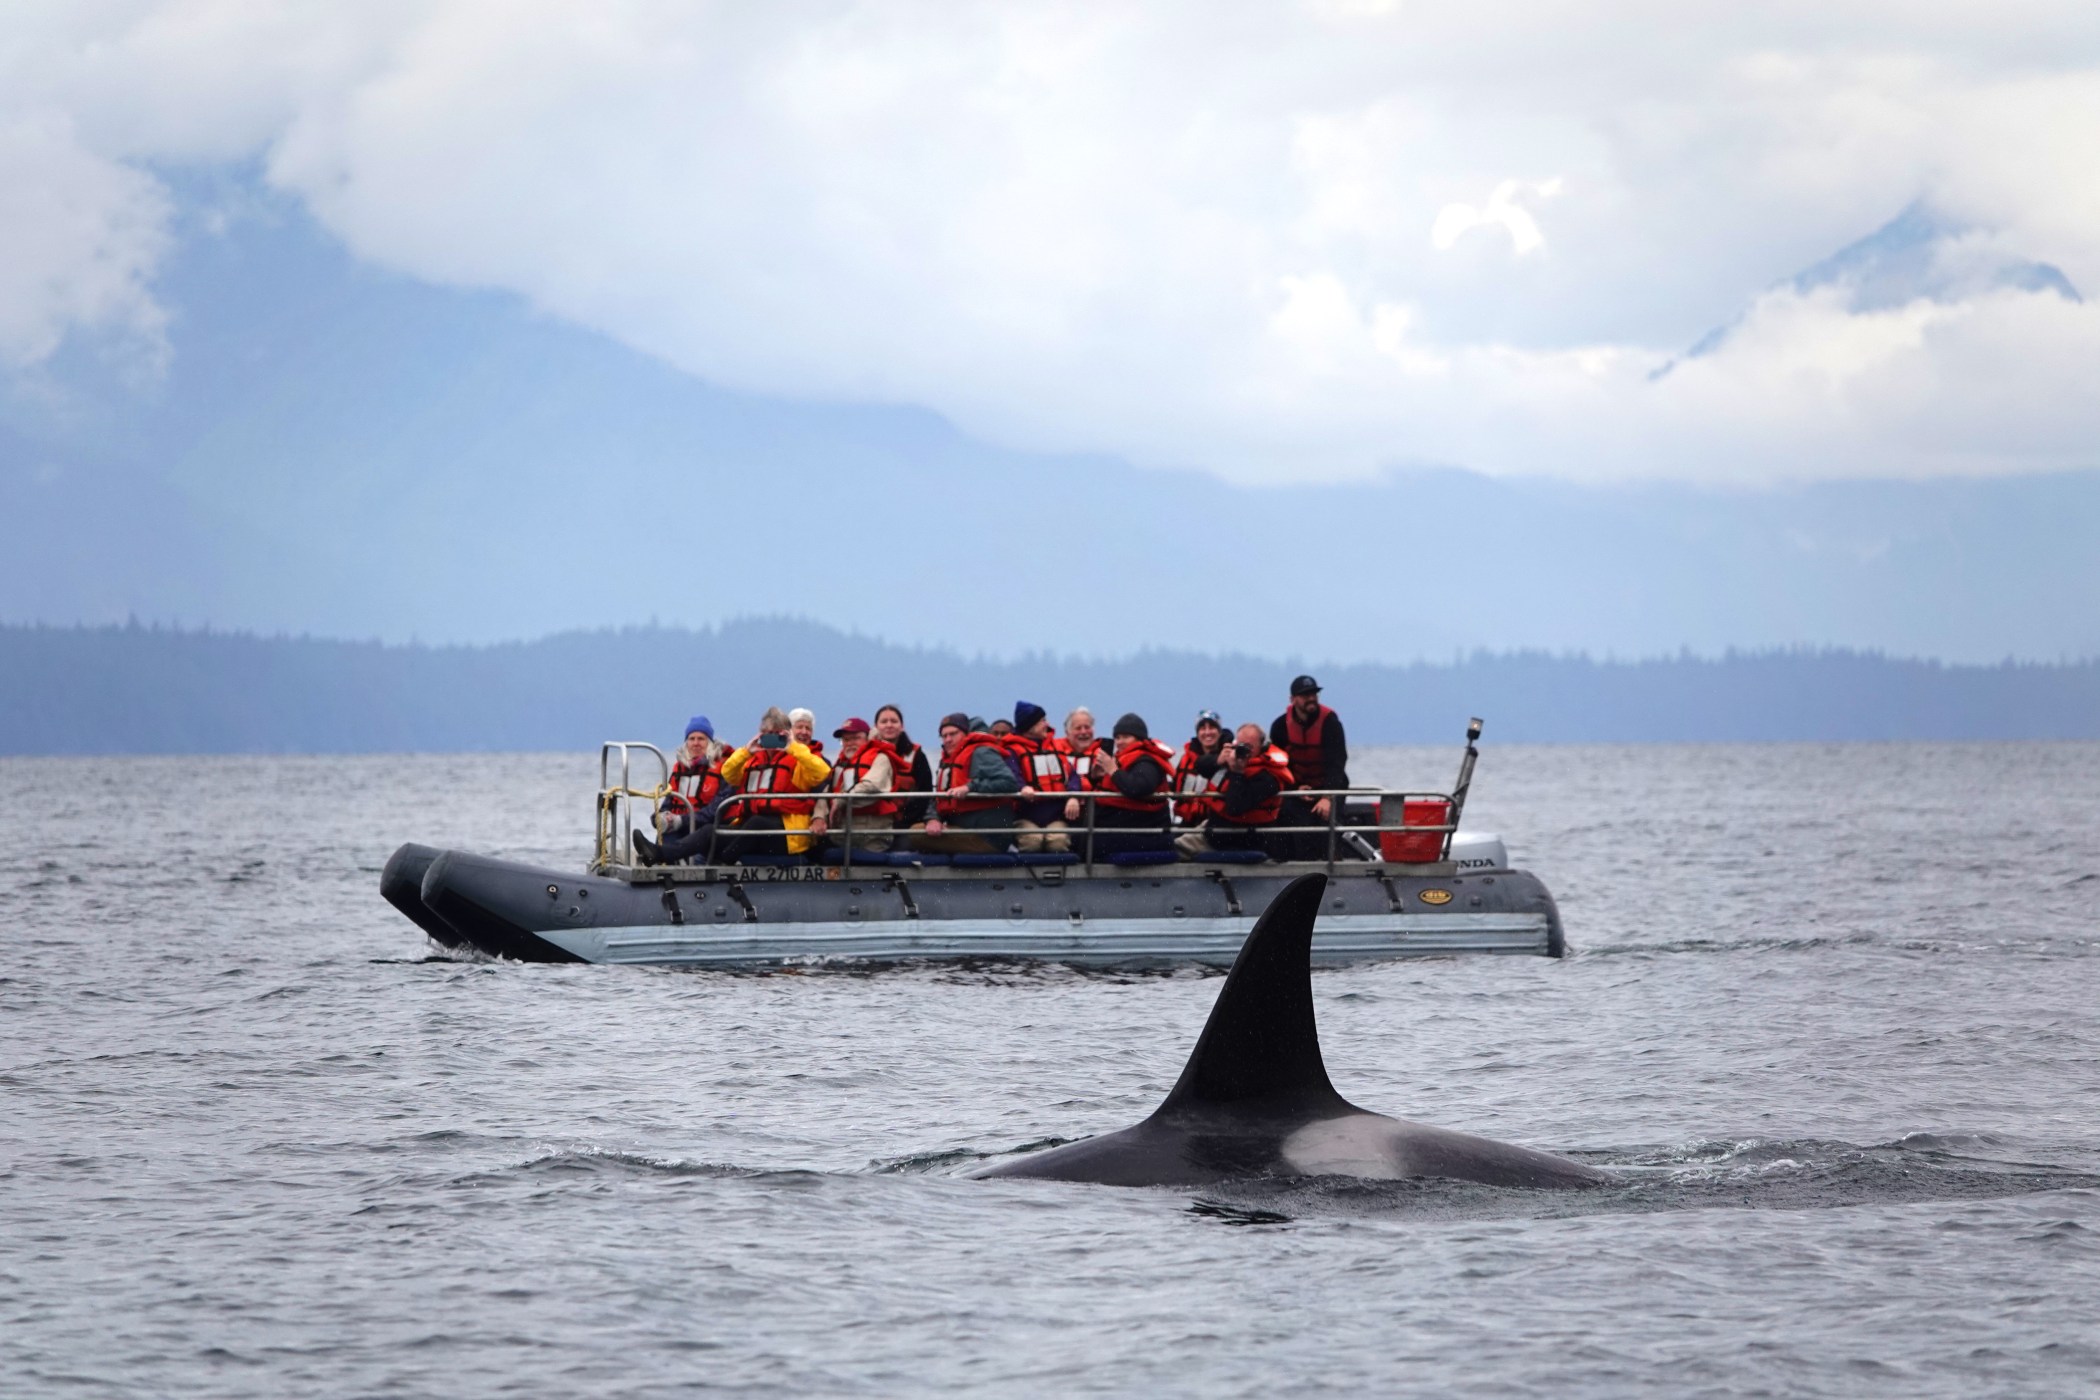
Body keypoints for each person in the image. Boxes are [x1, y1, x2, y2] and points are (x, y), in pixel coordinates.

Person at [718, 707, 831, 860]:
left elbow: (822, 772)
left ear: (787, 734)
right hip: (755, 823)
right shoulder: (754, 759)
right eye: (768, 734)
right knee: (709, 831)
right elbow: (728, 774)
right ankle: (694, 865)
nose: (804, 732)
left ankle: (725, 861)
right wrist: (746, 751)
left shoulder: (801, 761)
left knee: (756, 823)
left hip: (787, 830)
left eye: (778, 734)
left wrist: (793, 747)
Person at [1174, 724, 1293, 860]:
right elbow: (1200, 766)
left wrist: (1237, 773)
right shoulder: (1233, 758)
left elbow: (1235, 807)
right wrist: (1218, 760)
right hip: (1214, 829)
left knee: (1174, 849)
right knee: (1172, 843)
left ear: (1262, 746)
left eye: (1249, 747)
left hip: (1238, 838)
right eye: (1240, 745)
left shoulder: (1269, 777)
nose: (1243, 751)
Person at [913, 712, 1022, 854]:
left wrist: (970, 787)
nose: (948, 739)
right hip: (962, 829)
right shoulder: (949, 761)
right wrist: (933, 819)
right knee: (921, 831)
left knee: (915, 833)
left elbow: (1009, 783)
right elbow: (940, 798)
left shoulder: (982, 752)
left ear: (965, 734)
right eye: (944, 736)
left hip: (987, 836)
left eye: (953, 734)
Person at [633, 715, 727, 866]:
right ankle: (654, 858)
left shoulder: (723, 769)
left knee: (701, 839)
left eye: (701, 739)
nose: (696, 743)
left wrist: (681, 821)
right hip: (680, 828)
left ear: (710, 742)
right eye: (691, 739)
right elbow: (668, 802)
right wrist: (661, 818)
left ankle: (660, 856)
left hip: (705, 832)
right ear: (686, 742)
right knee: (665, 834)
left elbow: (717, 810)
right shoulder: (680, 770)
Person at [1080, 713, 1177, 858]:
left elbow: (1139, 787)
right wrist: (1095, 777)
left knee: (1083, 842)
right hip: (1119, 828)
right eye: (1117, 737)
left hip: (1143, 832)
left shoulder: (1147, 761)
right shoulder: (1121, 760)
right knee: (1077, 837)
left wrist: (1113, 770)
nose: (1120, 742)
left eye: (1126, 737)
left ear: (1139, 738)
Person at [808, 717, 900, 857]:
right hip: (841, 836)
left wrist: (840, 801)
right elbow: (828, 793)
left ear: (868, 738)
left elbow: (871, 786)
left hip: (872, 837)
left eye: (855, 738)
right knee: (813, 851)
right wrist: (818, 817)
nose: (850, 743)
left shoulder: (881, 758)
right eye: (846, 740)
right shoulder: (841, 764)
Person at [1005, 701, 1082, 853]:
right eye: (1042, 721)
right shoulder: (1012, 751)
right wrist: (1022, 788)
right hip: (1025, 815)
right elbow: (1012, 775)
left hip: (1056, 815)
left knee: (1058, 842)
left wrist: (1073, 796)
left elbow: (1072, 775)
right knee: (1031, 842)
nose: (1047, 724)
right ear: (1029, 726)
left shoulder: (1056, 747)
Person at [874, 703, 934, 826]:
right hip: (875, 820)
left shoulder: (917, 756)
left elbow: (925, 791)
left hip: (907, 822)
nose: (889, 725)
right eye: (884, 721)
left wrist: (904, 821)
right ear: (876, 727)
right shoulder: (869, 754)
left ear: (902, 726)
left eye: (894, 721)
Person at [1171, 709, 1230, 825]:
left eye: (1212, 727)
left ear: (1219, 732)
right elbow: (1175, 788)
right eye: (1202, 728)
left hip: (1218, 823)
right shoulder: (1186, 759)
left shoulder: (1230, 757)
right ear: (1197, 733)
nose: (1207, 732)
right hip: (1189, 822)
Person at [1062, 707, 1107, 787]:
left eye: (1087, 727)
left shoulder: (1103, 756)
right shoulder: (1057, 753)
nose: (1083, 732)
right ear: (1067, 733)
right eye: (1078, 728)